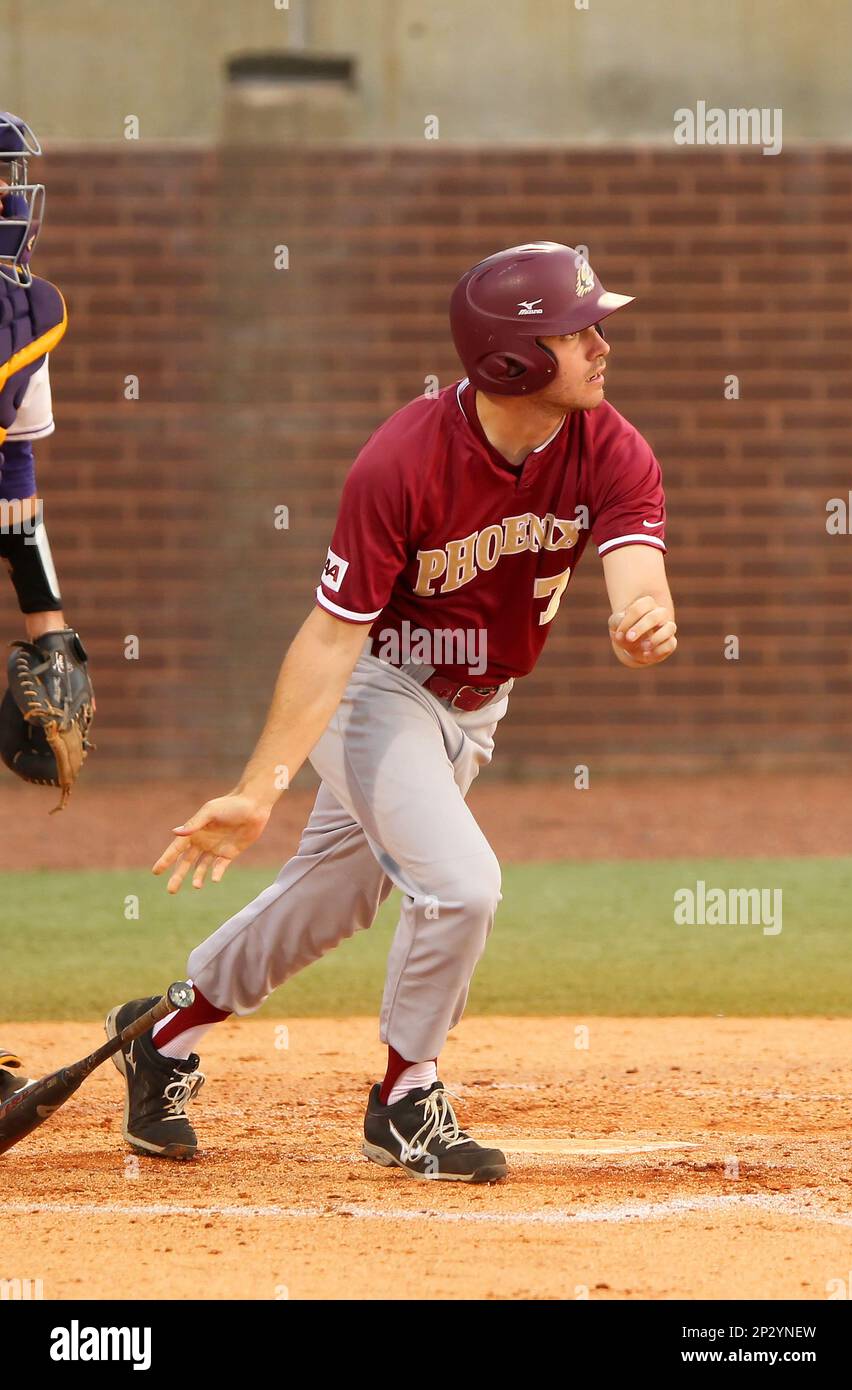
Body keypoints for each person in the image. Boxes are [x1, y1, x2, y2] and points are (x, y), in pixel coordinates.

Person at [105, 241, 676, 1182]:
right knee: (462, 886)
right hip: (381, 693)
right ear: (513, 361)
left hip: (477, 712)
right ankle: (405, 1098)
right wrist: (260, 789)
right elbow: (331, 638)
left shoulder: (609, 443)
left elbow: (634, 563)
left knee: (332, 898)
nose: (601, 343)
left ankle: (159, 1038)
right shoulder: (403, 459)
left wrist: (639, 617)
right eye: (577, 332)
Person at [0, 111, 95, 1105]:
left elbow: (11, 475)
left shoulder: (24, 309)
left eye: (9, 178)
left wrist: (50, 627)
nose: (6, 196)